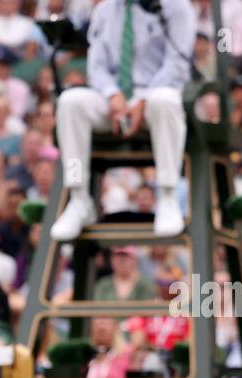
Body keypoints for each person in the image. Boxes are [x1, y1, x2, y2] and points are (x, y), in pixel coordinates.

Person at [51, 0, 194, 241]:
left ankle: (168, 196)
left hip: (154, 98)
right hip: (113, 101)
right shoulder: (103, 11)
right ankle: (78, 198)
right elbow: (96, 68)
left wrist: (143, 100)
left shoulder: (176, 7)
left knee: (165, 99)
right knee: (70, 101)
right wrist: (113, 95)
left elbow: (177, 65)